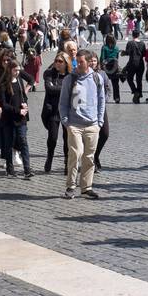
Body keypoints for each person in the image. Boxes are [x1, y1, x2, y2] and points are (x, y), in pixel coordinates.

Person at [60, 48, 106, 199]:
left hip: (92, 124)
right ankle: (71, 186)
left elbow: (101, 100)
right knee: (75, 153)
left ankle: (86, 187)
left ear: (88, 62)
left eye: (81, 62)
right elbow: (63, 102)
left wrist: (99, 122)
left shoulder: (96, 78)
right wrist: (66, 121)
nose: (78, 64)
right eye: (77, 62)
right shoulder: (70, 79)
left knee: (89, 157)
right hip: (74, 124)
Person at [0, 50, 33, 179]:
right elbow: (4, 104)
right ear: (10, 70)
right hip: (8, 118)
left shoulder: (19, 81)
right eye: (15, 70)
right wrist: (17, 110)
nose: (18, 72)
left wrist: (24, 104)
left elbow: (23, 95)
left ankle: (27, 169)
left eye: (19, 70)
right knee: (8, 143)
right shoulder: (2, 84)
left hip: (21, 118)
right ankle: (10, 167)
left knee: (23, 141)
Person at [40, 52, 71, 175]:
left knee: (67, 138)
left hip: (67, 112)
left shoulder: (70, 76)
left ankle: (67, 161)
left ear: (66, 63)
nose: (57, 63)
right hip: (53, 111)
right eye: (56, 60)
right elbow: (49, 89)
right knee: (52, 138)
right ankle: (49, 156)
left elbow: (72, 91)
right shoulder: (49, 74)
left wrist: (58, 88)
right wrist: (65, 89)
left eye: (60, 61)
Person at [123, 29, 147, 103]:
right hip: (140, 63)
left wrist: (124, 53)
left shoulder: (130, 43)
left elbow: (127, 52)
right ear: (139, 35)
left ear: (132, 35)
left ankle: (135, 91)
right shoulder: (142, 43)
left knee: (129, 78)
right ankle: (139, 95)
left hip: (132, 63)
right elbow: (144, 54)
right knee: (139, 80)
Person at [100, 34, 122, 104]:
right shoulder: (116, 48)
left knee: (104, 83)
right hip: (114, 67)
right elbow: (117, 57)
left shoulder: (104, 47)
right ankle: (117, 98)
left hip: (106, 67)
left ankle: (104, 97)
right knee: (115, 84)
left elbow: (102, 58)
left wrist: (101, 66)